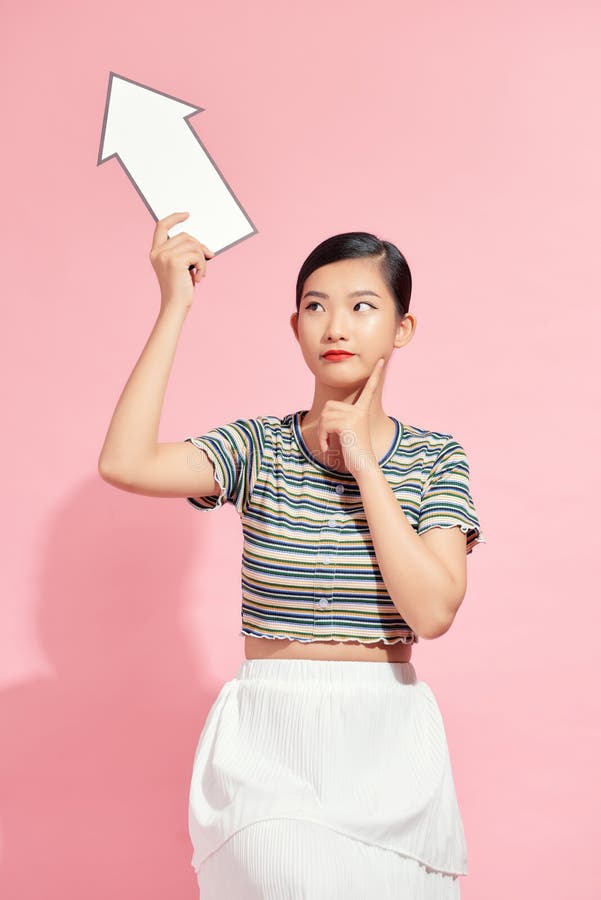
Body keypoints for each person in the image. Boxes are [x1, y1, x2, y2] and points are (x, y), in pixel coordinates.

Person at [98, 211, 486, 899]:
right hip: (267, 741)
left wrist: (366, 467)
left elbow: (430, 612)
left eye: (361, 307)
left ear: (401, 330)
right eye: (315, 307)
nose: (335, 326)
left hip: (389, 740)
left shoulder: (434, 457)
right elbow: (126, 463)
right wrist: (174, 306)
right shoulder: (259, 447)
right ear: (294, 326)